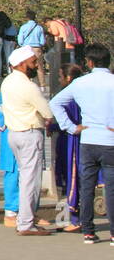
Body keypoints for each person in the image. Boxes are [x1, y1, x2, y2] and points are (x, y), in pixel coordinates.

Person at [49, 42, 114, 244]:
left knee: (86, 186)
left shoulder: (80, 83)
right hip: (109, 140)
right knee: (110, 188)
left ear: (90, 62)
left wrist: (70, 126)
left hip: (88, 140)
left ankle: (88, 230)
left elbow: (55, 103)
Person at [0, 47, 55, 236]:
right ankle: (25, 223)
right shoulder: (28, 86)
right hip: (30, 133)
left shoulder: (7, 82)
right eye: (33, 62)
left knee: (25, 178)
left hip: (14, 133)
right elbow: (47, 112)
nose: (36, 65)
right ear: (22, 64)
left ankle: (24, 219)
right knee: (30, 181)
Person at [49, 64, 87, 234]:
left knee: (73, 179)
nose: (59, 79)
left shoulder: (70, 97)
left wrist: (55, 126)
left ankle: (75, 219)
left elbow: (70, 120)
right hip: (76, 140)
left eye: (60, 76)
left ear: (68, 78)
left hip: (72, 141)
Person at [0, 92, 18, 227]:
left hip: (24, 130)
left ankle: (27, 211)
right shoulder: (10, 85)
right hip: (14, 131)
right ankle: (11, 212)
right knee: (13, 171)